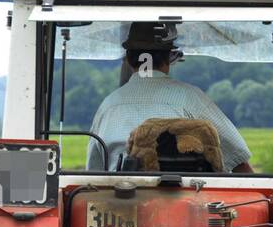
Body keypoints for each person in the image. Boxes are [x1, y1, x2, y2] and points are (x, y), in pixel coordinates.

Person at [86, 22, 253, 173]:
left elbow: (93, 174)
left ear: (129, 59)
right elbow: (238, 161)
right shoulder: (190, 97)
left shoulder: (108, 105)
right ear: (169, 58)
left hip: (124, 200)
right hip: (189, 202)